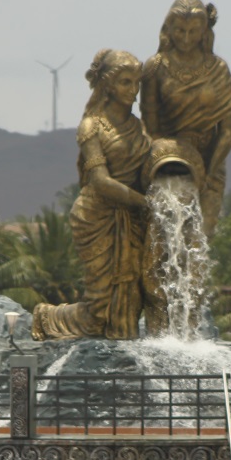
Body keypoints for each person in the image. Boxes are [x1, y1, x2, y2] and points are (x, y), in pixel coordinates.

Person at [32, 49, 152, 341]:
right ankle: (47, 318)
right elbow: (100, 181)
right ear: (108, 84)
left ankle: (124, 375)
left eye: (137, 82)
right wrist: (143, 202)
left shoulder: (140, 127)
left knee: (130, 301)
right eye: (125, 82)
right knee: (99, 308)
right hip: (97, 218)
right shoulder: (92, 127)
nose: (133, 90)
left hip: (132, 220)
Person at [140, 0, 231, 236]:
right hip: (169, 163)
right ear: (168, 29)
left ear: (204, 31)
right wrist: (166, 157)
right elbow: (150, 126)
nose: (185, 38)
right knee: (164, 238)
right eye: (180, 30)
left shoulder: (218, 69)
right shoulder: (155, 67)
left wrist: (208, 174)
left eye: (193, 31)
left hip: (210, 160)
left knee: (201, 237)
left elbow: (227, 132)